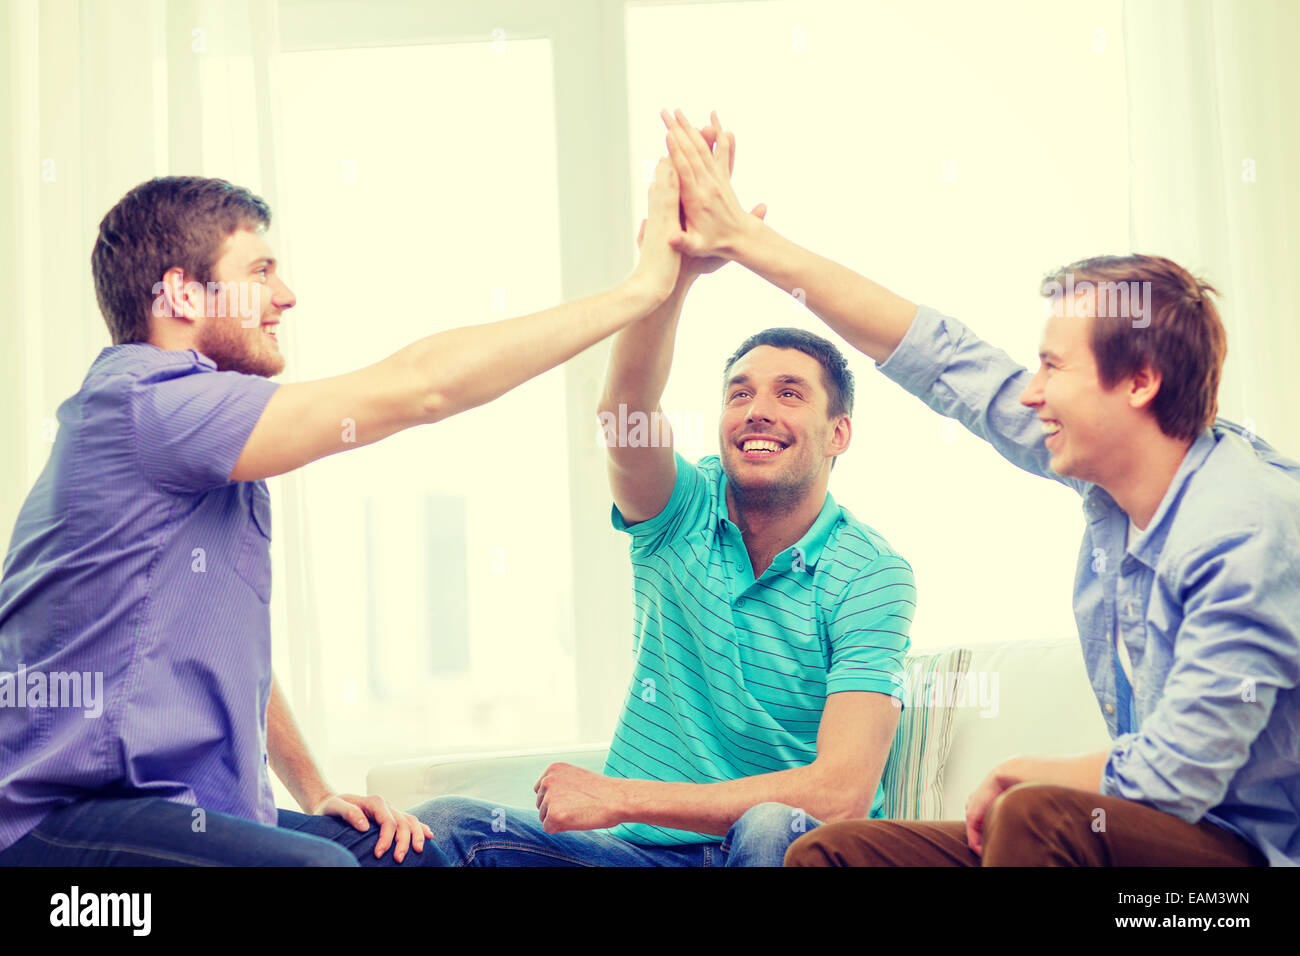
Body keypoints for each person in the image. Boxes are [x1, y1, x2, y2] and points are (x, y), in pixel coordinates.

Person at [659, 108, 1300, 867]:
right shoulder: (1119, 481)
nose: (1030, 393)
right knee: (834, 853)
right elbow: (946, 361)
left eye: (1053, 368)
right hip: (1141, 839)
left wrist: (1039, 775)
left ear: (1140, 382)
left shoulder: (1243, 525)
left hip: (1240, 874)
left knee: (1035, 815)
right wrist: (746, 241)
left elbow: (1179, 775)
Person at [0, 161, 685, 866]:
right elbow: (421, 388)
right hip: (56, 827)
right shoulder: (146, 408)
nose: (285, 295)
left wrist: (315, 786)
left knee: (417, 851)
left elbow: (210, 644)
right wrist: (641, 291)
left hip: (179, 820)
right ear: (178, 293)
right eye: (260, 271)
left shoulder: (207, 447)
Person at [416, 128, 916, 867]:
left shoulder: (870, 573)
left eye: (788, 394)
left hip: (772, 850)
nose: (757, 410)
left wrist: (621, 796)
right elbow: (623, 412)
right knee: (453, 825)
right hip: (637, 857)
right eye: (739, 392)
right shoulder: (681, 511)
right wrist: (671, 274)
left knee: (773, 824)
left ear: (838, 433)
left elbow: (839, 795)